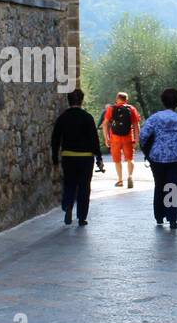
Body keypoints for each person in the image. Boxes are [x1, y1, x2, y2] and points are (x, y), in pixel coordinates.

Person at [138, 88, 177, 230]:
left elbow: (143, 135)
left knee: (159, 184)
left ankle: (159, 215)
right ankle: (172, 218)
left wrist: (147, 148)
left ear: (163, 101)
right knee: (172, 186)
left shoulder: (154, 118)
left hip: (157, 156)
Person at [50, 88, 105, 226]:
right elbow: (94, 139)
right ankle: (81, 217)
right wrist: (99, 158)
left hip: (68, 156)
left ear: (68, 101)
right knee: (84, 187)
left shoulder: (62, 118)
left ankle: (68, 205)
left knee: (69, 183)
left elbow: (55, 139)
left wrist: (55, 159)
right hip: (86, 158)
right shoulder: (87, 117)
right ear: (81, 100)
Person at [101, 91, 141, 188]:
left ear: (117, 99)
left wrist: (106, 138)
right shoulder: (131, 109)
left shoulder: (111, 109)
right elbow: (136, 125)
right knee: (130, 159)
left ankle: (120, 180)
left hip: (115, 138)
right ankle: (130, 176)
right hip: (128, 137)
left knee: (117, 160)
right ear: (126, 100)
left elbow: (105, 124)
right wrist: (137, 139)